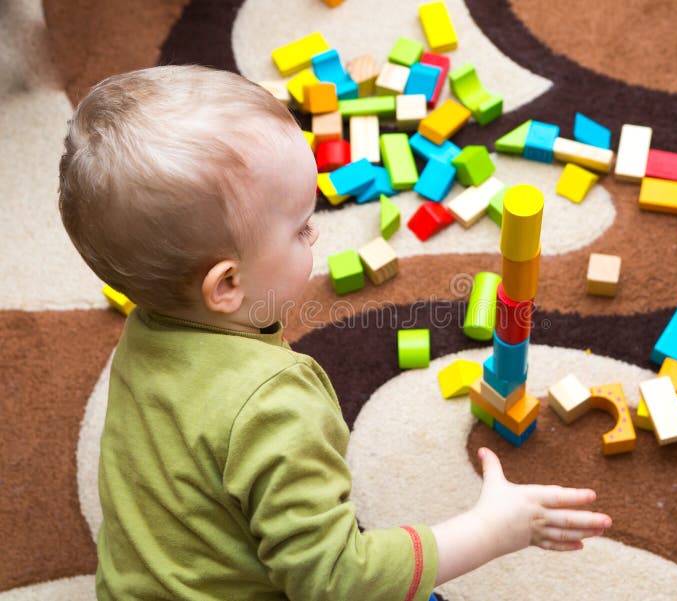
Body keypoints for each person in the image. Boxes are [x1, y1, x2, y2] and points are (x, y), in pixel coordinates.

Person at [59, 65, 612, 601]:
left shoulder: (147, 329)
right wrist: (494, 529)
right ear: (226, 284)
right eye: (300, 227)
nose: (317, 231)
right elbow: (336, 584)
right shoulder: (276, 404)